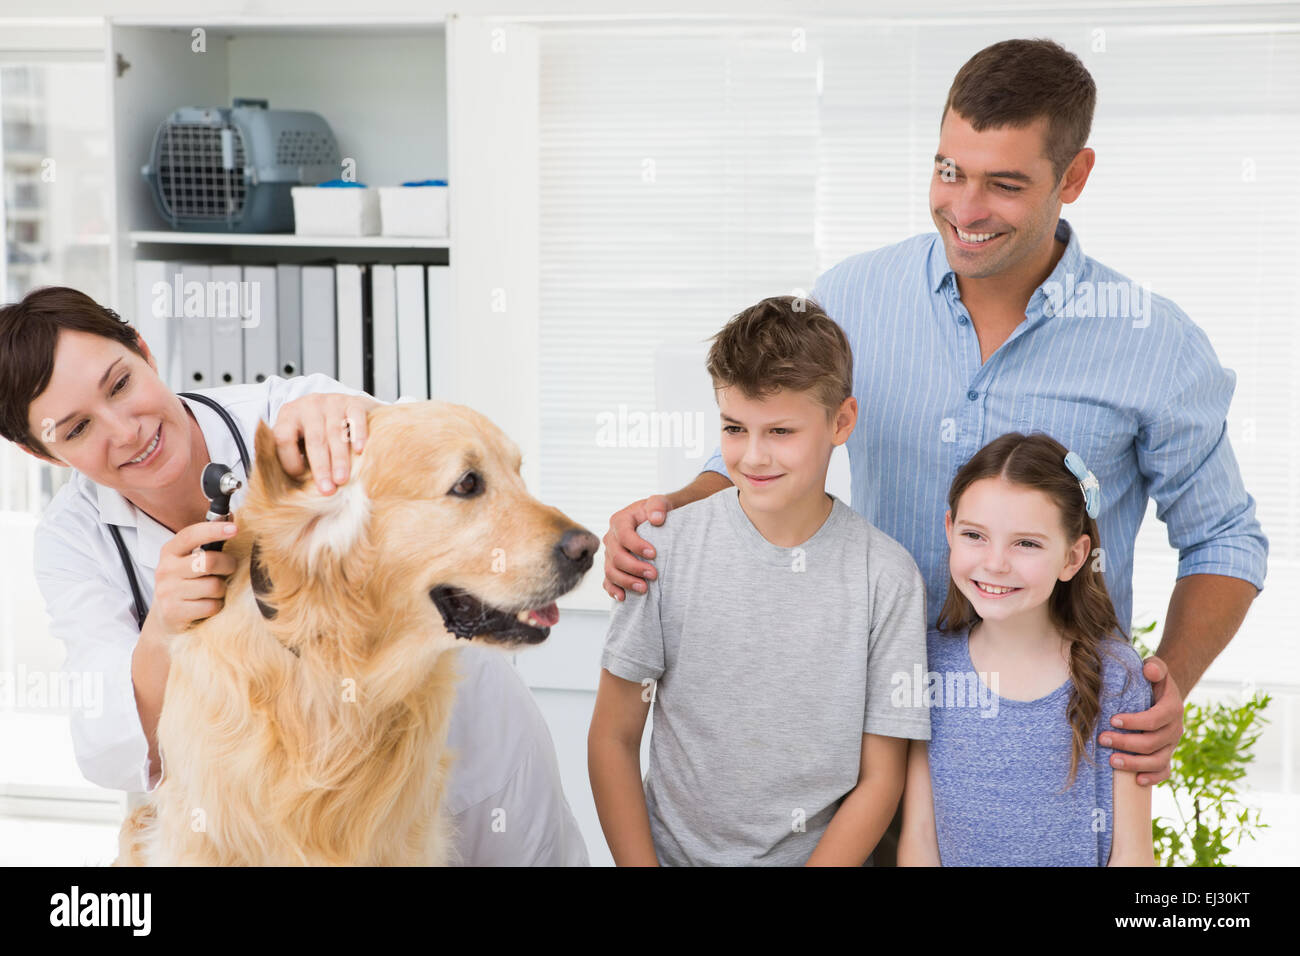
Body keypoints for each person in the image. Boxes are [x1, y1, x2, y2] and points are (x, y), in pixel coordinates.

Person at [601, 38, 1267, 865]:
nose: (966, 206)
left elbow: (1226, 539)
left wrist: (1165, 683)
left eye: (1006, 183)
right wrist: (667, 512)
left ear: (1076, 177)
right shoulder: (854, 295)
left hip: (1047, 761)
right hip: (859, 752)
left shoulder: (1154, 344)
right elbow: (768, 435)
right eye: (949, 171)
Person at [0, 285, 588, 866]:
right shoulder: (72, 539)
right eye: (76, 429)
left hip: (454, 747)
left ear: (144, 350)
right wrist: (162, 629)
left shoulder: (303, 416)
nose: (124, 430)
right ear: (43, 455)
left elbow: (436, 455)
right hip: (242, 811)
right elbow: (107, 746)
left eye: (121, 383)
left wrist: (365, 417)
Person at [588, 295, 930, 866]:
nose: (751, 456)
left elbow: (881, 779)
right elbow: (612, 739)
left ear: (841, 421)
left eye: (780, 431)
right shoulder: (664, 551)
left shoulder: (887, 578)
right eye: (733, 427)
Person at [898, 432, 1155, 866]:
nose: (995, 562)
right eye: (975, 535)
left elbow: (1132, 853)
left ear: (1074, 557)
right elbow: (920, 835)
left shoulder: (1117, 676)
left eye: (1027, 543)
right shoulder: (929, 665)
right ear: (949, 529)